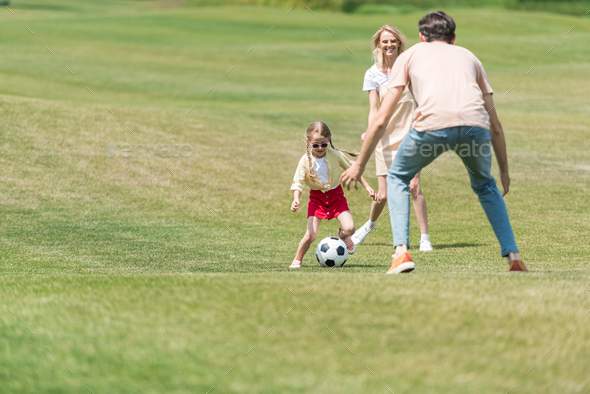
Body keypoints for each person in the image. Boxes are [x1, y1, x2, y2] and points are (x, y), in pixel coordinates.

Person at [341, 11, 528, 274]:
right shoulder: (470, 57)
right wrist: (505, 172)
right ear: (453, 38)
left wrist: (359, 165)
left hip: (432, 127)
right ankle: (514, 256)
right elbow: (495, 126)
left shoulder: (410, 55)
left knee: (396, 177)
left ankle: (401, 253)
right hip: (474, 128)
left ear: (421, 36)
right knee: (486, 186)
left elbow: (381, 118)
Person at [351, 24, 433, 252]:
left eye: (392, 41)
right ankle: (369, 225)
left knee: (414, 187)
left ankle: (424, 238)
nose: (389, 45)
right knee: (384, 195)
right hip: (384, 139)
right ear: (379, 44)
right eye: (384, 41)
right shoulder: (372, 73)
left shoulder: (410, 68)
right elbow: (373, 109)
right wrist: (370, 131)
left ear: (399, 43)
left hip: (412, 135)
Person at [290, 121, 376, 268]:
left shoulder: (335, 155)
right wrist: (296, 199)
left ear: (329, 141)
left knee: (350, 229)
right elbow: (298, 182)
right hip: (317, 199)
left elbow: (354, 169)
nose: (320, 148)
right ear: (308, 142)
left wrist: (368, 187)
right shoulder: (305, 160)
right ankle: (297, 259)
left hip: (336, 197)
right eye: (315, 145)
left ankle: (343, 237)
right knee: (311, 235)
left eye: (324, 144)